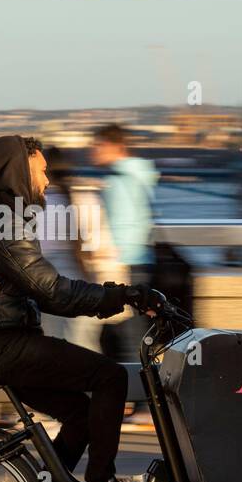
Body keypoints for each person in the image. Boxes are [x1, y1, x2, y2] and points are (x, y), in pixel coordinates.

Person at [0, 135, 162, 482]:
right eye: (41, 170)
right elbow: (51, 291)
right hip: (0, 344)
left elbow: (45, 291)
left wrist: (118, 296)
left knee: (81, 414)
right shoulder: (6, 221)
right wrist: (122, 295)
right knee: (110, 378)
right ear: (17, 171)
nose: (47, 179)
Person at [39, 146, 122, 353]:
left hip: (48, 287)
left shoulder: (35, 205)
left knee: (52, 349)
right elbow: (101, 250)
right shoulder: (87, 200)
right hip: (86, 285)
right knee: (85, 350)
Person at [91, 124, 158, 362]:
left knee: (130, 337)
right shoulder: (140, 173)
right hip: (143, 260)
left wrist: (110, 258)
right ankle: (139, 392)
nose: (93, 151)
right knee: (135, 335)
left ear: (113, 146)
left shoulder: (118, 179)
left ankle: (138, 393)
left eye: (97, 145)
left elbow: (120, 226)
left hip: (127, 263)